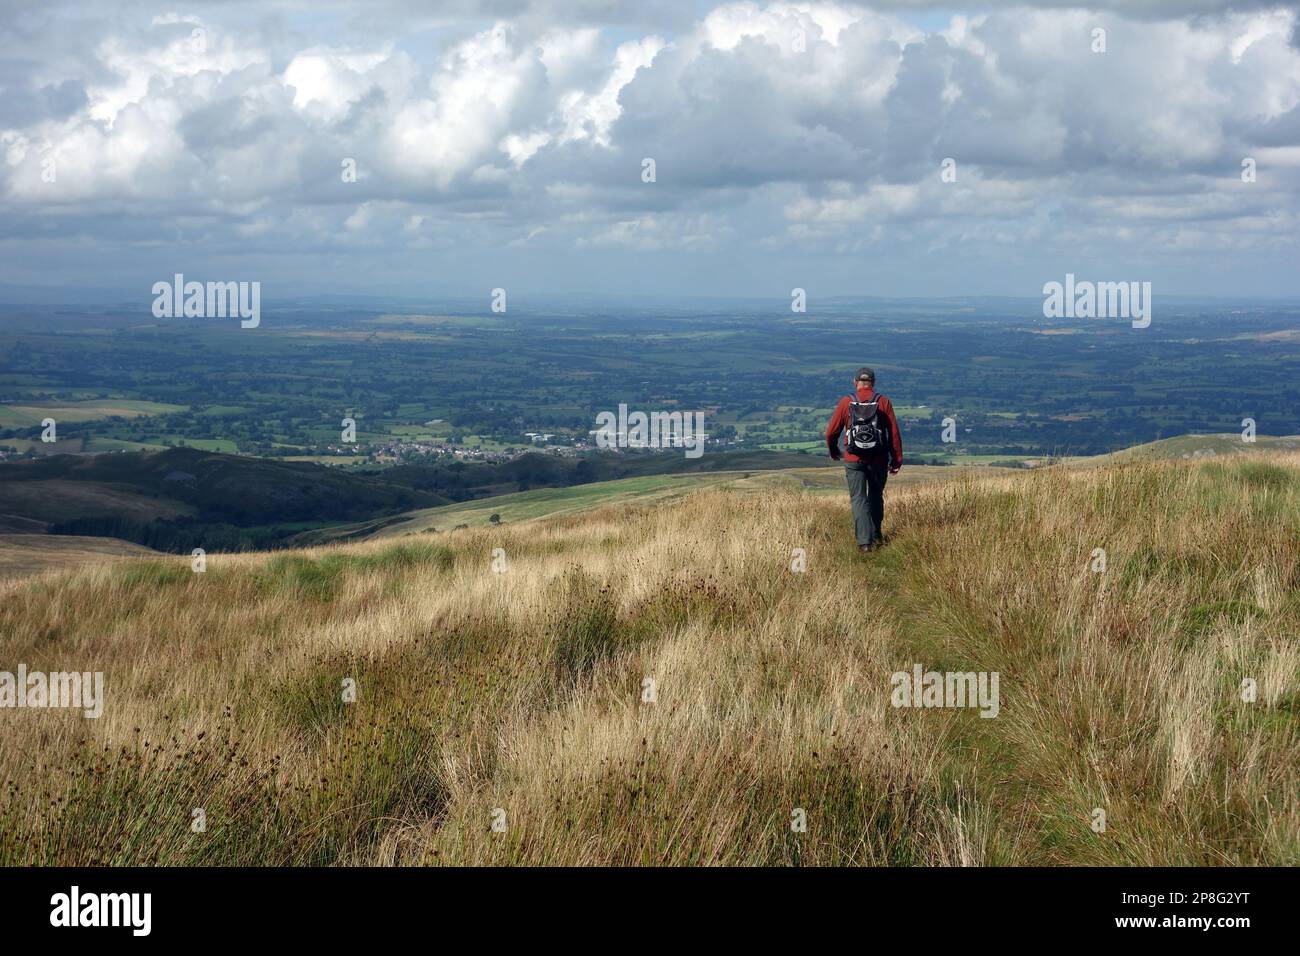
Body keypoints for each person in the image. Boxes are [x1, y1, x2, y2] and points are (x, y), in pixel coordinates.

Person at [825, 367, 903, 552]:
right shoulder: (883, 402)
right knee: (876, 496)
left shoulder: (847, 402)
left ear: (855, 381)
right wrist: (896, 459)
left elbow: (830, 432)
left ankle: (864, 543)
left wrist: (834, 450)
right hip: (878, 458)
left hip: (853, 458)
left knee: (858, 499)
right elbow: (893, 434)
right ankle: (876, 537)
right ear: (873, 383)